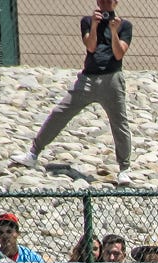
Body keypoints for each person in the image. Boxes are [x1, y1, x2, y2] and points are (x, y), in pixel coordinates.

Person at [11, 0, 133, 186]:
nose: (105, 5)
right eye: (102, 1)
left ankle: (124, 169)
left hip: (112, 80)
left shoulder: (125, 25)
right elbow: (90, 46)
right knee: (60, 112)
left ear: (116, 3)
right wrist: (94, 25)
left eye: (109, 1)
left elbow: (119, 54)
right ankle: (32, 153)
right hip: (87, 79)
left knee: (120, 124)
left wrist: (114, 31)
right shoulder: (87, 20)